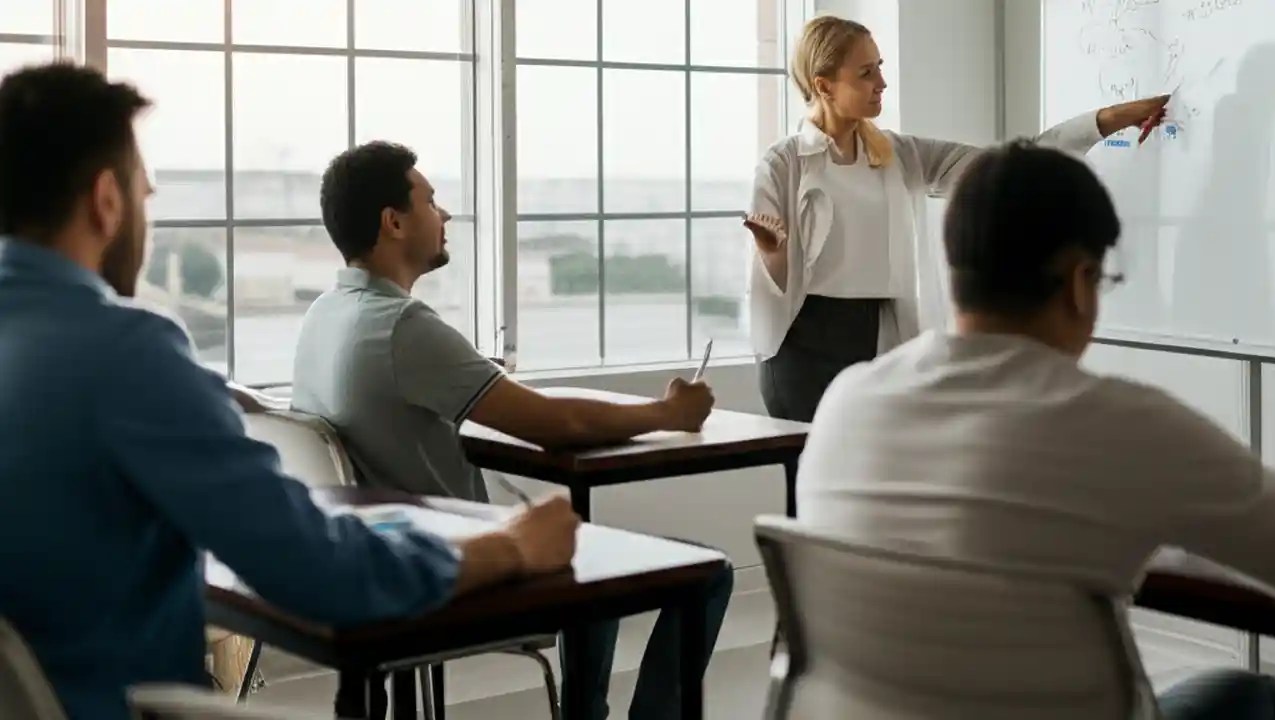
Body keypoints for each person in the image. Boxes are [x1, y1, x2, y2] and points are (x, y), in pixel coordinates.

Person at [0, 62, 579, 720]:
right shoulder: (125, 355)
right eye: (145, 194)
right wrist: (510, 547)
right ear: (107, 200)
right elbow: (325, 574)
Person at [797, 141, 1275, 719]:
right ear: (1080, 282)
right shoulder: (1121, 424)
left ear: (954, 271)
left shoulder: (847, 401)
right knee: (1250, 694)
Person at [290, 141, 733, 720]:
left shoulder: (325, 314)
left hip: (374, 552)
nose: (444, 215)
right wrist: (667, 414)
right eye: (430, 200)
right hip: (459, 563)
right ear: (392, 222)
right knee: (703, 572)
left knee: (587, 554)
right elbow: (558, 424)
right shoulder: (401, 325)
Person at [747, 14, 1171, 423]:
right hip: (801, 347)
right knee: (807, 481)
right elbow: (776, 278)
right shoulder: (784, 163)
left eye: (880, 67)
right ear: (824, 85)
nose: (882, 83)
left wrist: (1104, 121)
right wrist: (772, 252)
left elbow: (1010, 166)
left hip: (877, 339)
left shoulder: (899, 154)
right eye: (865, 73)